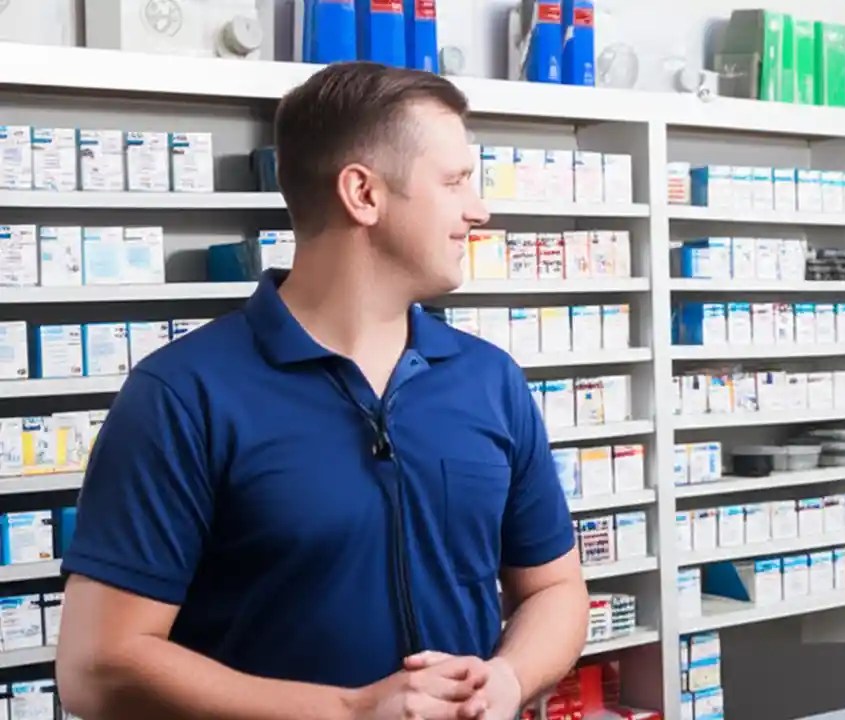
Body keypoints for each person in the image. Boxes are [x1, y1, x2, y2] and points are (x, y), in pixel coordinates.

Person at [55, 62, 589, 720]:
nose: (478, 209)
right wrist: (350, 710)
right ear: (362, 193)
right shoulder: (183, 394)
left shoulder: (489, 380)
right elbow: (97, 667)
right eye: (454, 182)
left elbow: (556, 587)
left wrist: (509, 679)